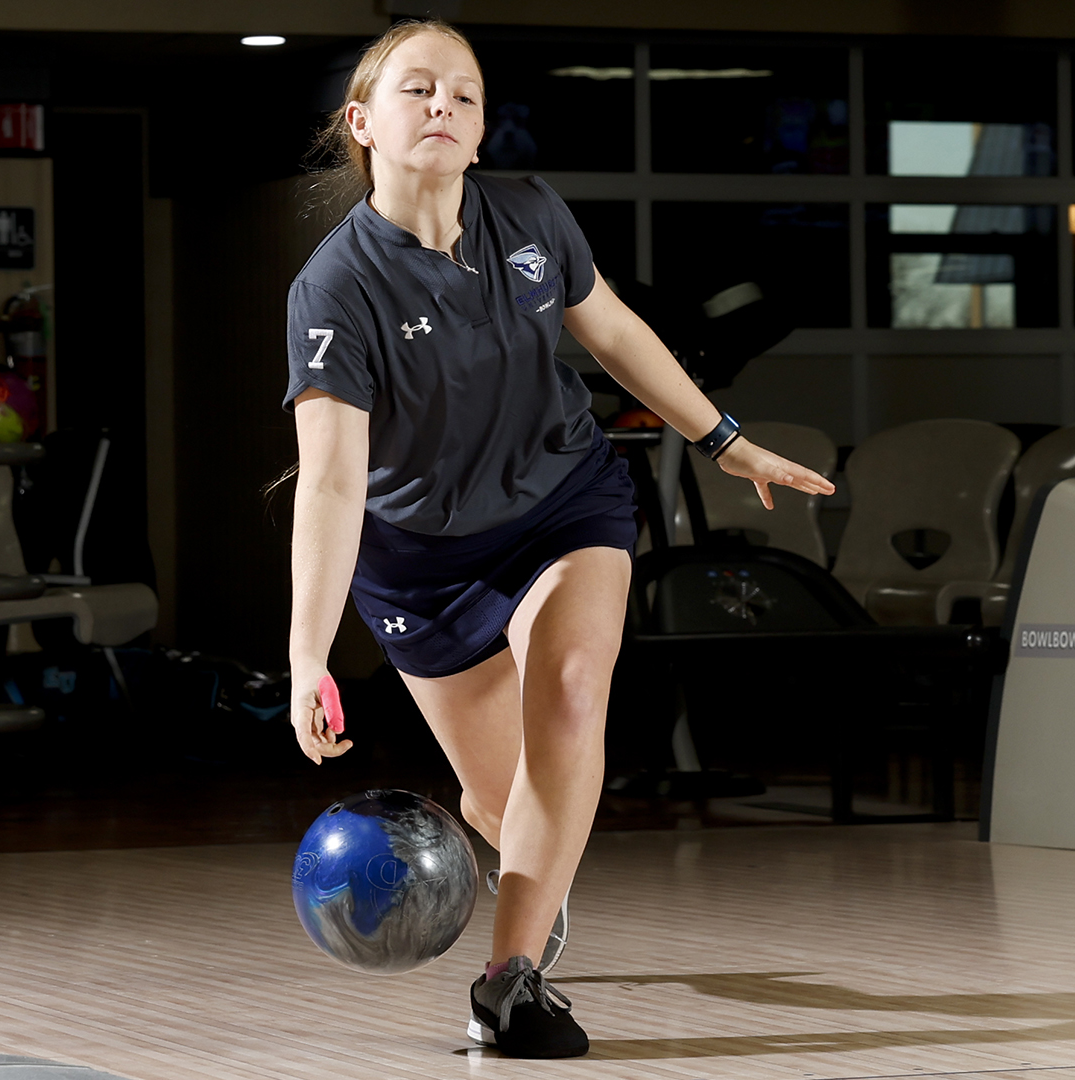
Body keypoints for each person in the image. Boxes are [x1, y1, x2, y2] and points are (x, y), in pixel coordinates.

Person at [280, 20, 834, 1059]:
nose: (442, 105)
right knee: (501, 800)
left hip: (561, 508)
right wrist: (309, 651)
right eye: (417, 89)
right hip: (421, 559)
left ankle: (509, 980)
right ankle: (533, 883)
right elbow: (333, 478)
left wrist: (725, 440)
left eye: (464, 94)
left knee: (574, 697)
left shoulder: (529, 218)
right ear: (364, 123)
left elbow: (613, 329)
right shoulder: (335, 287)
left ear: (481, 133)